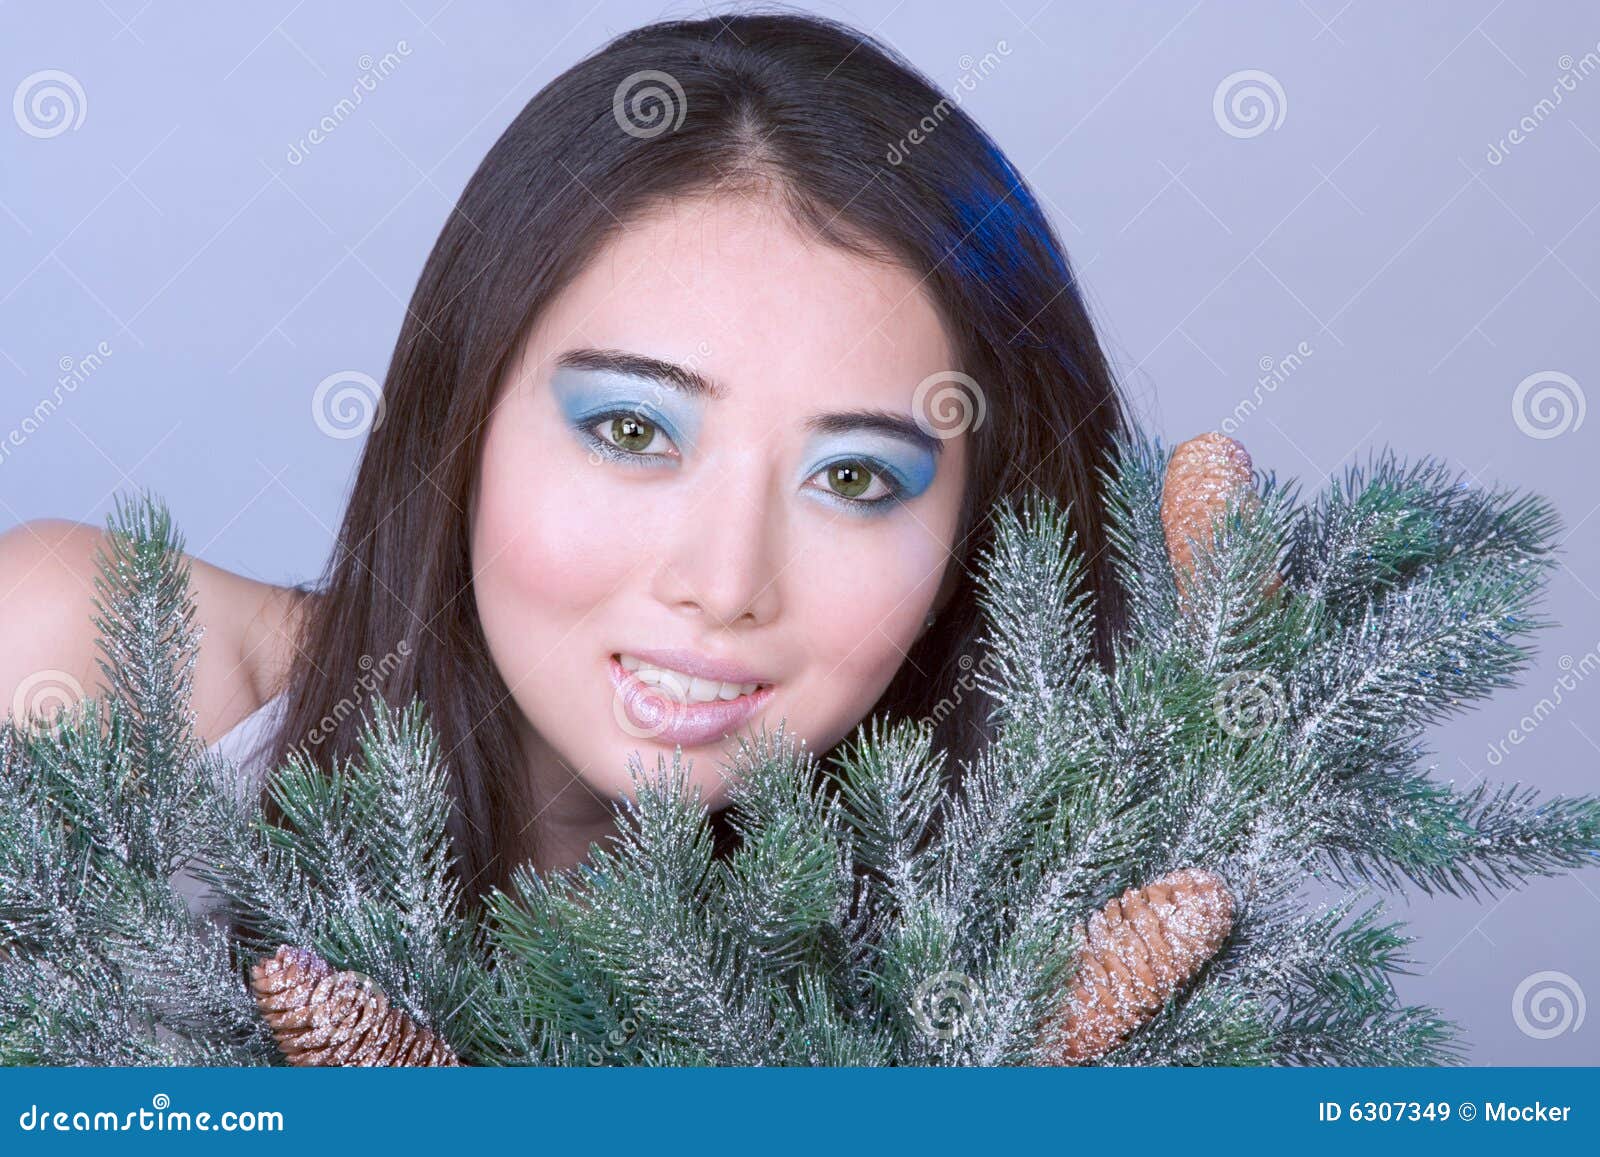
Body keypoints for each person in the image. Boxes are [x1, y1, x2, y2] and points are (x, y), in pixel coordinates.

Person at [1, 12, 1157, 910]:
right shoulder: (104, 666)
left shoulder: (1030, 926)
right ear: (461, 416)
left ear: (982, 541)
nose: (724, 582)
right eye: (632, 431)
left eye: (851, 478)